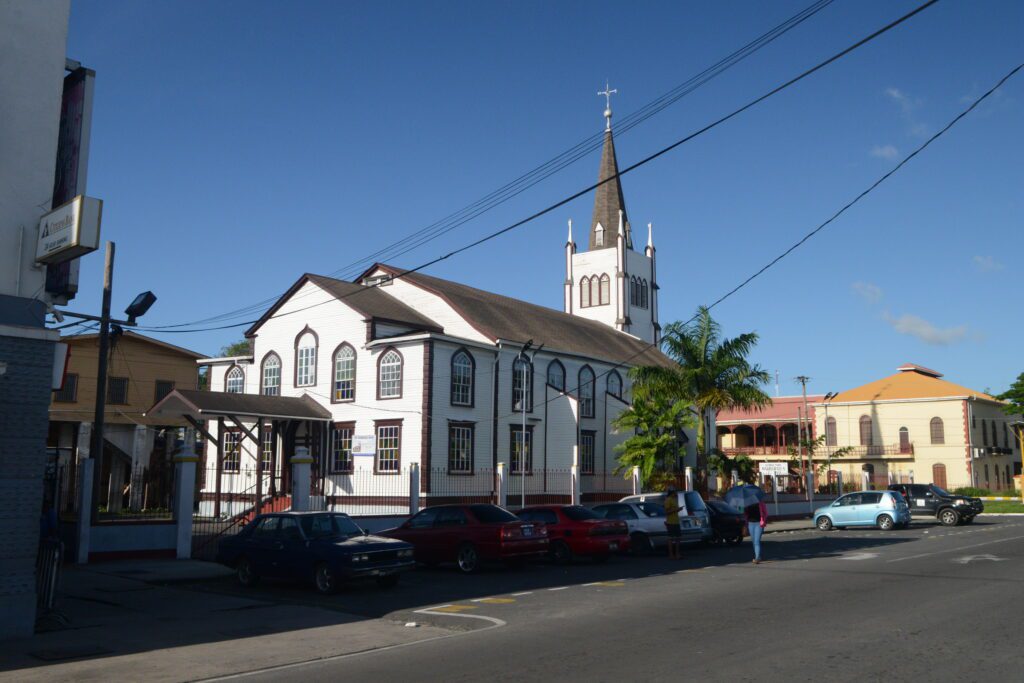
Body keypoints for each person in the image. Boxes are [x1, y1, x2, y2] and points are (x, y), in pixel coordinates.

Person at [744, 498, 768, 564]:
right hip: (750, 524)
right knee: (754, 541)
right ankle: (758, 556)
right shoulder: (747, 504)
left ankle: (757, 558)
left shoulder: (760, 503)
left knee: (757, 541)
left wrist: (764, 520)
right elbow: (745, 514)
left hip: (758, 524)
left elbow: (765, 513)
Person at [664, 486, 682, 560]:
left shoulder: (674, 500)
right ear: (672, 492)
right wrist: (676, 510)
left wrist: (678, 510)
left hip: (676, 521)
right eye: (675, 491)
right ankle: (671, 555)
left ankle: (677, 554)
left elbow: (674, 510)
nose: (676, 493)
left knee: (678, 538)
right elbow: (667, 512)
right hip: (671, 522)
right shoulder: (668, 500)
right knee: (671, 539)